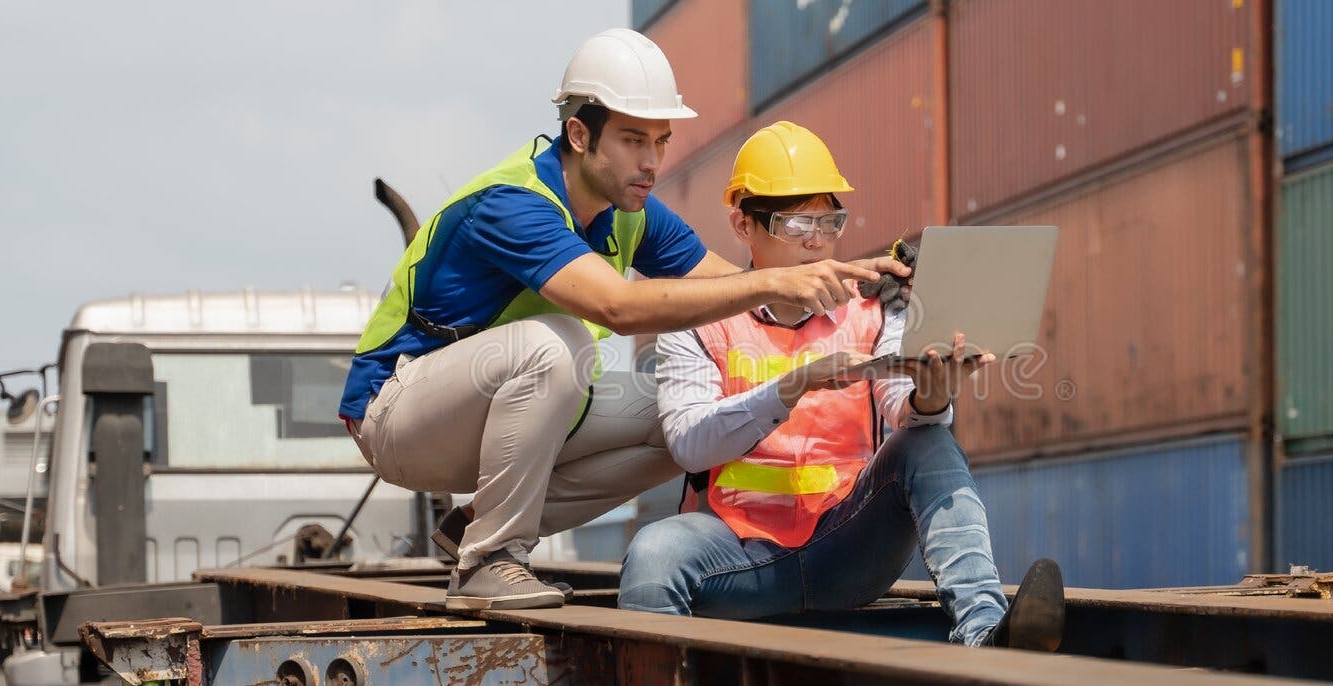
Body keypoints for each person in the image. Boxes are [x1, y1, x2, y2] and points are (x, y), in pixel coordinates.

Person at [337, 30, 908, 611]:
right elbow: (618, 307)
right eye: (634, 140)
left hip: (492, 411)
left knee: (679, 425)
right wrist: (778, 281)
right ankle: (492, 558)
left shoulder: (628, 211)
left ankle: (475, 525)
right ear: (579, 135)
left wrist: (843, 283)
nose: (653, 162)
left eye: (661, 141)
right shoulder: (514, 204)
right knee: (551, 343)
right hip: (398, 413)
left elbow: (729, 285)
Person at [617, 121, 1063, 648]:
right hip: (735, 554)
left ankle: (986, 634)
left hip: (849, 548)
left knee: (932, 441)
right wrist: (792, 386)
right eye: (795, 223)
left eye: (830, 223)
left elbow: (906, 413)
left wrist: (934, 393)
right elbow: (690, 443)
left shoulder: (876, 307)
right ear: (743, 224)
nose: (816, 241)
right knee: (652, 555)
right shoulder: (699, 321)